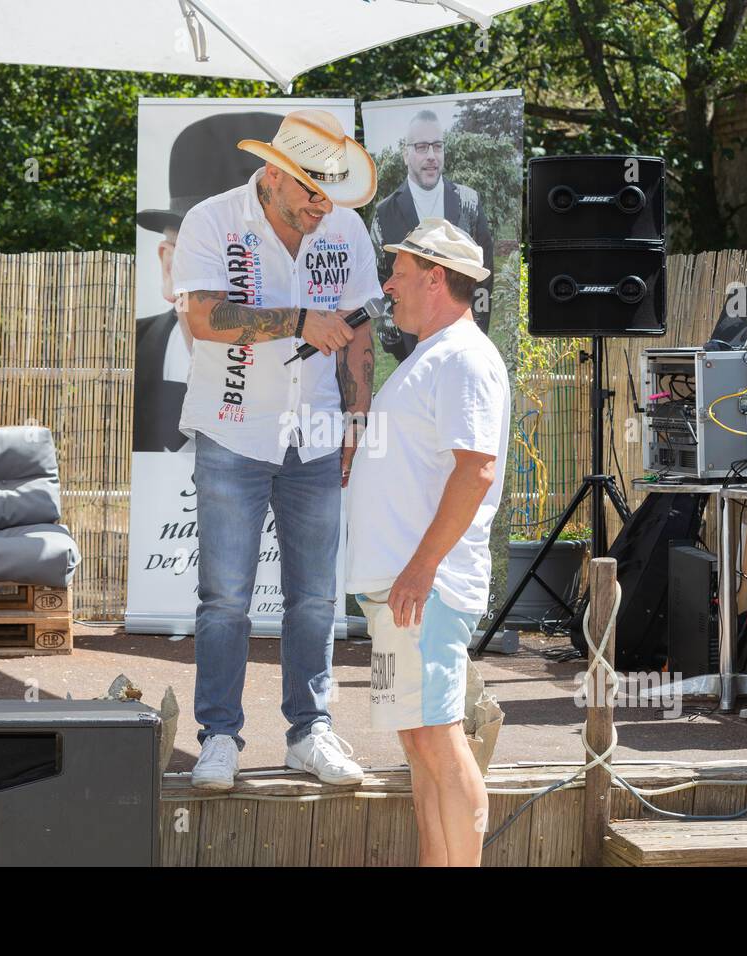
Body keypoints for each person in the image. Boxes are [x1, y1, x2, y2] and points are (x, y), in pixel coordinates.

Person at [172, 109, 380, 790]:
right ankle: (219, 737)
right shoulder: (212, 220)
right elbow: (204, 317)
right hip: (232, 429)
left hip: (316, 431)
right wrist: (296, 320)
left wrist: (356, 417)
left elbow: (359, 331)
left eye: (331, 192)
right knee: (225, 598)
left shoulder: (345, 229)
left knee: (316, 597)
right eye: (312, 191)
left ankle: (310, 731)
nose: (323, 206)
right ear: (274, 175)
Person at [345, 218, 510, 866]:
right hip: (404, 593)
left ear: (435, 278)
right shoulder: (433, 357)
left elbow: (477, 470)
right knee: (418, 745)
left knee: (438, 742)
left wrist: (421, 568)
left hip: (425, 592)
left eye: (400, 273)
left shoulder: (463, 357)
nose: (389, 285)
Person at [133, 112, 283, 452]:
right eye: (205, 263)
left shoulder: (328, 379)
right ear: (169, 268)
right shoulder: (124, 361)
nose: (244, 294)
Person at [368, 109, 495, 361]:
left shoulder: (468, 202)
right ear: (406, 154)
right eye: (421, 147)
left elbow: (483, 274)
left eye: (437, 146)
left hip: (462, 344)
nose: (431, 156)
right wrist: (396, 341)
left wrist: (475, 331)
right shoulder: (384, 213)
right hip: (408, 350)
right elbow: (379, 280)